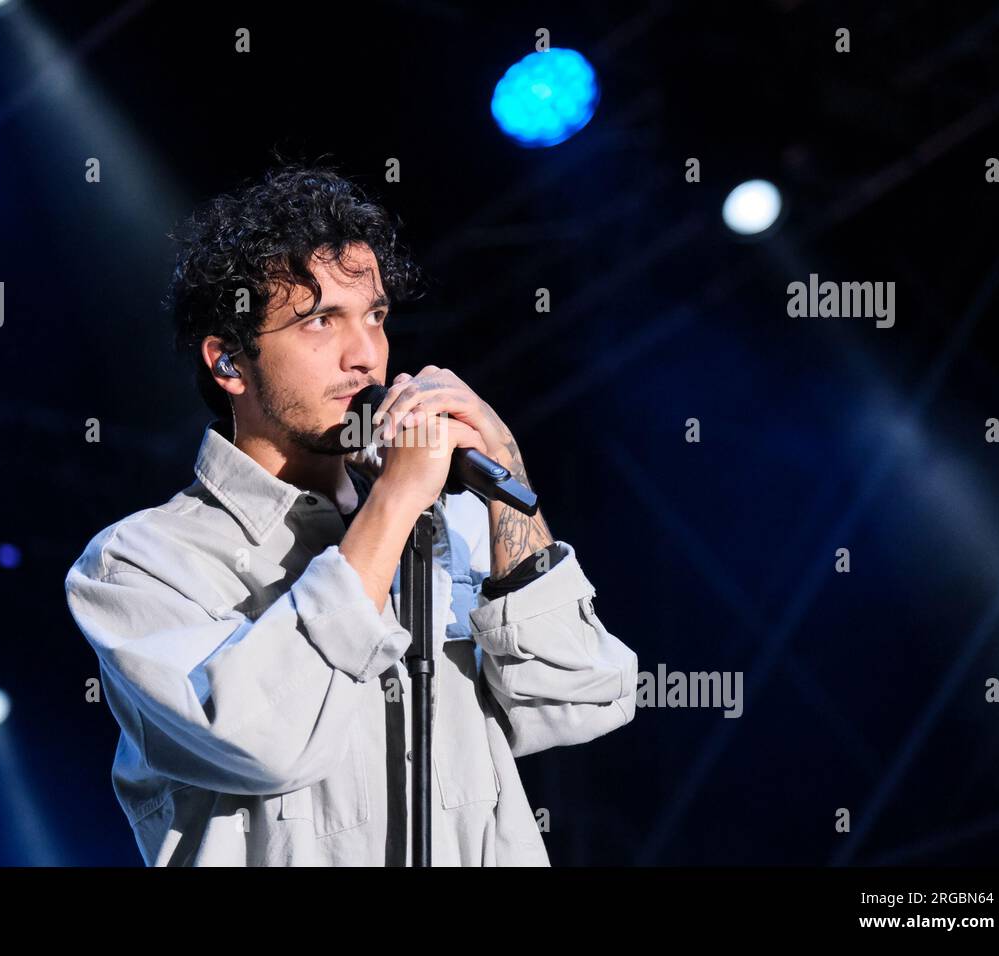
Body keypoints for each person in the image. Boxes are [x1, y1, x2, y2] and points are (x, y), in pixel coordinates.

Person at [64, 162, 638, 866]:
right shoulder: (139, 563)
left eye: (374, 316)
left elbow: (581, 700)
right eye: (318, 322)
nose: (365, 355)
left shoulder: (448, 524)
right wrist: (393, 504)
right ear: (229, 364)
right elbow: (261, 742)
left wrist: (505, 468)